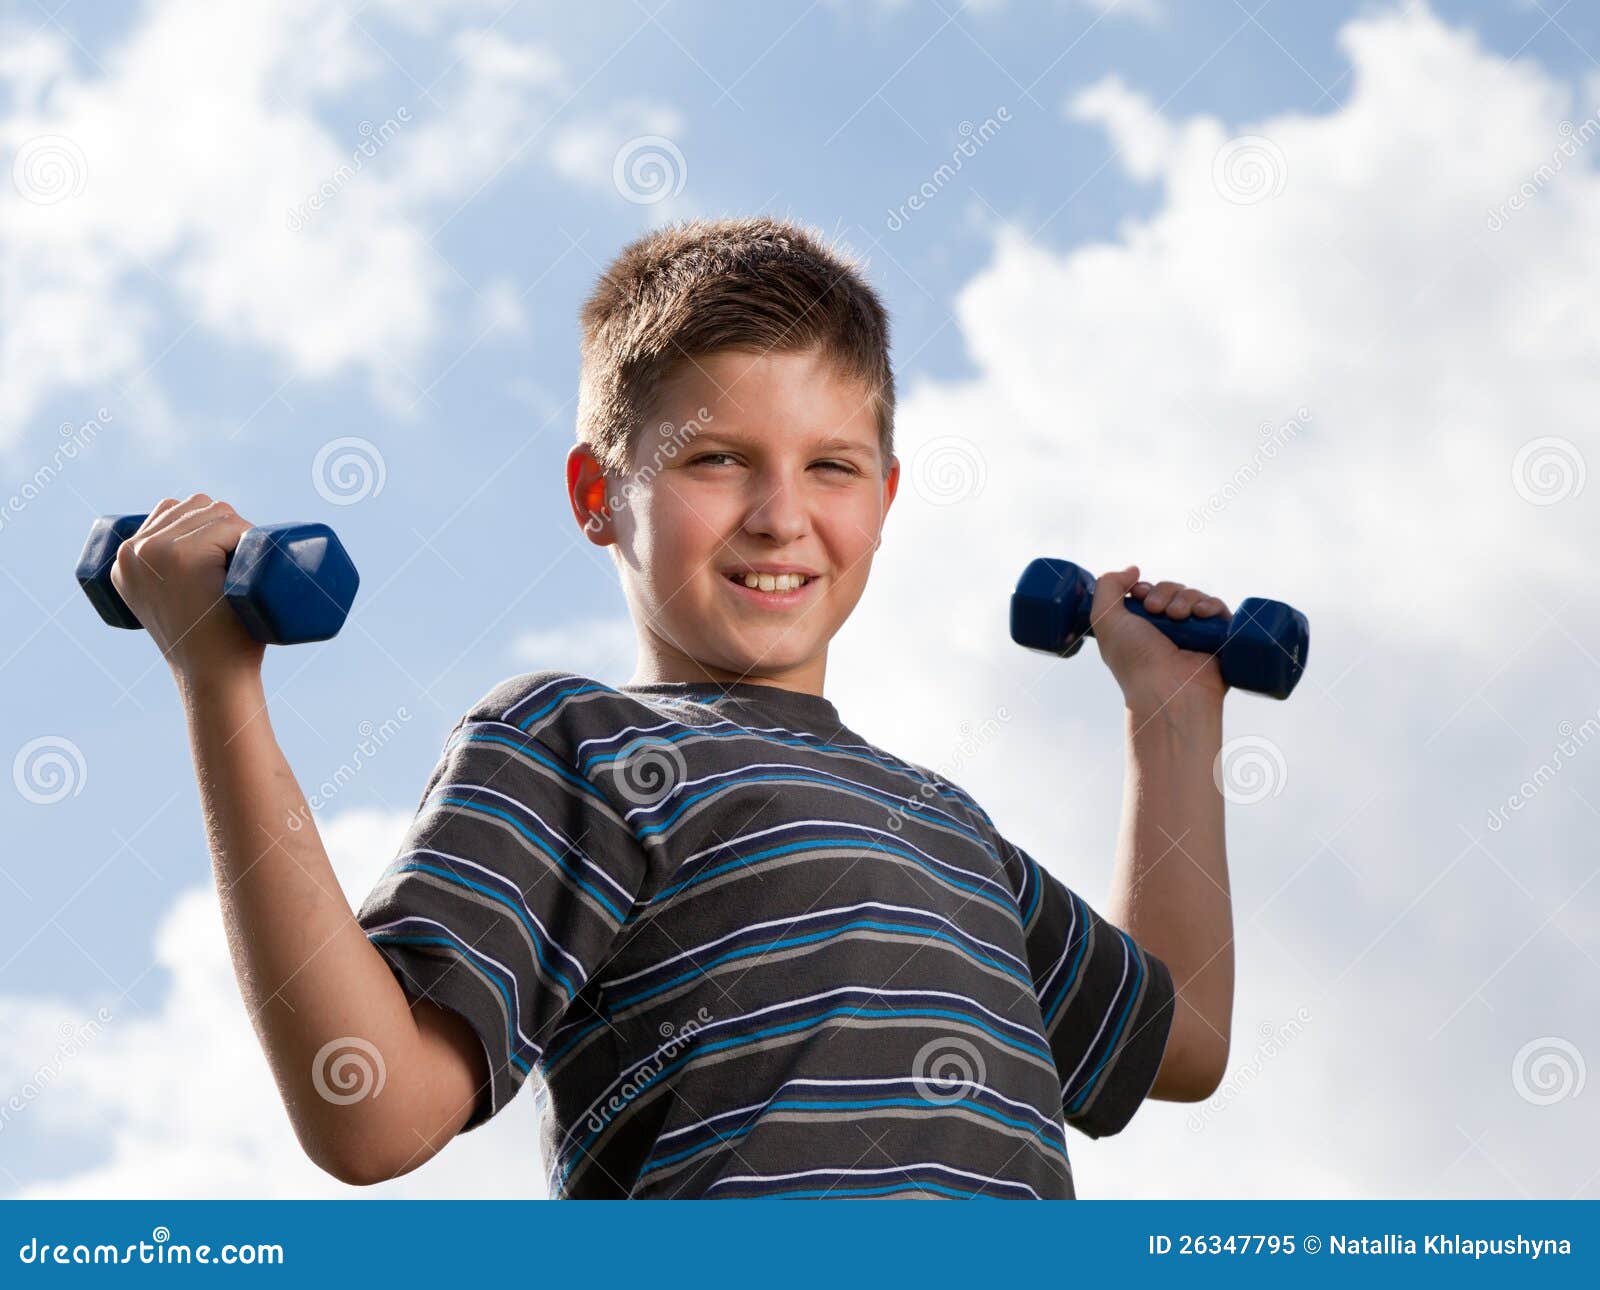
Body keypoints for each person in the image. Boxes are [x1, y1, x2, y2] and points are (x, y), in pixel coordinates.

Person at [111, 215, 1233, 1199]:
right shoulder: (577, 744)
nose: (780, 517)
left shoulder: (941, 822)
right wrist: (219, 682)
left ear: (884, 499)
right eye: (716, 460)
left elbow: (1179, 1040)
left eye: (831, 467)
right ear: (600, 497)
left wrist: (1171, 713)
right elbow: (372, 1111)